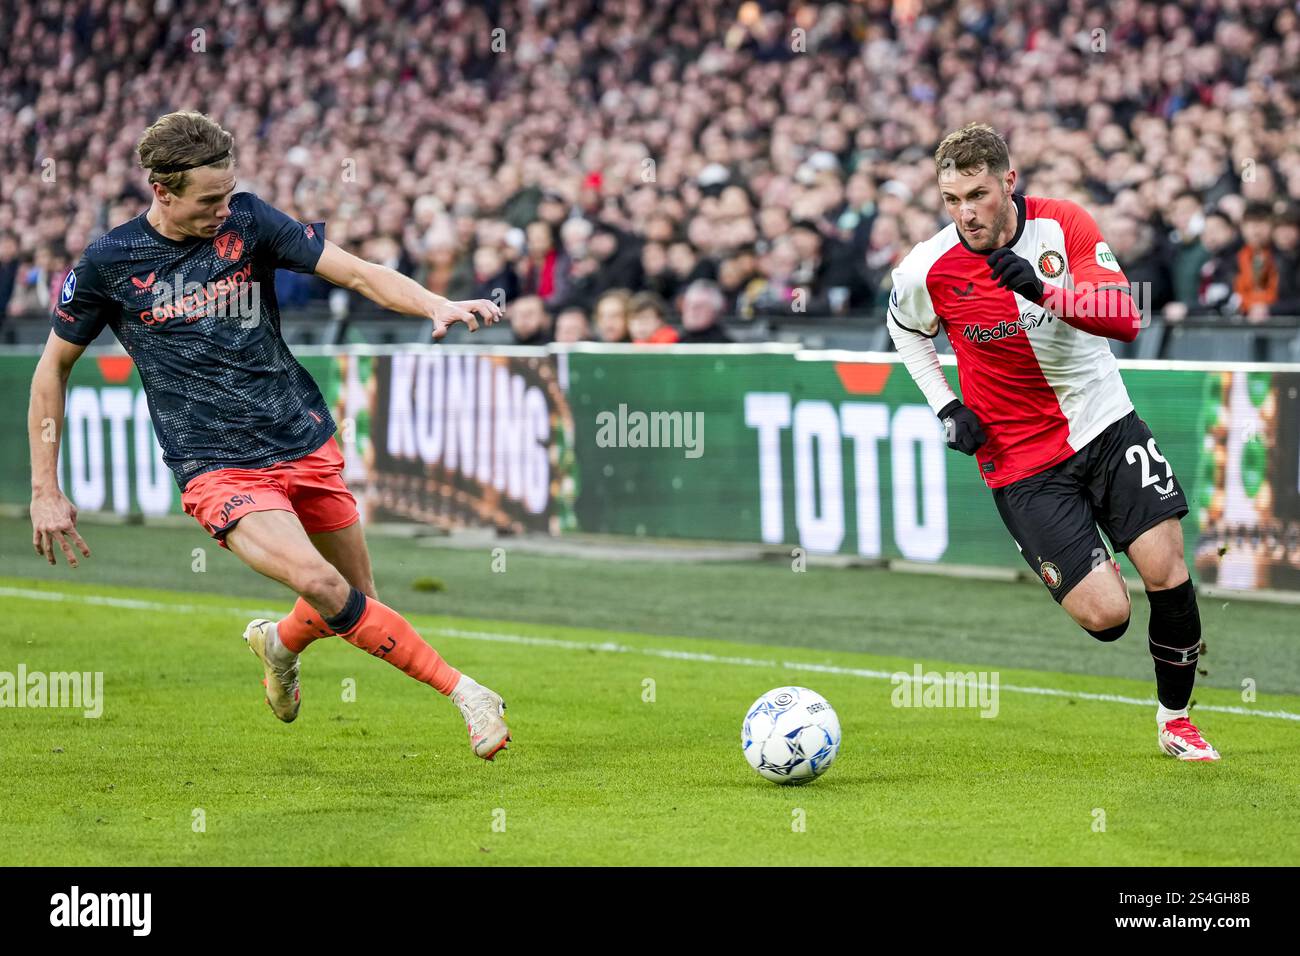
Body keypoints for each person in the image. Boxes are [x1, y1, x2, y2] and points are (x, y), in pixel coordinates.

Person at [27, 111, 512, 760]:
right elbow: (51, 370)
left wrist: (434, 304)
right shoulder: (109, 264)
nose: (223, 210)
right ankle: (467, 694)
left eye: (228, 194)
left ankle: (280, 645)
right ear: (161, 191)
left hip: (301, 437)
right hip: (217, 467)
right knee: (322, 584)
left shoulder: (251, 222)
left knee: (357, 601)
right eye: (208, 200)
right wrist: (43, 489)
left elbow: (360, 272)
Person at [888, 123, 1217, 761]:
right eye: (951, 199)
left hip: (1104, 423)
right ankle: (1099, 564)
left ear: (1008, 182)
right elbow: (904, 329)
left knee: (1168, 573)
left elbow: (1125, 318)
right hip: (1019, 461)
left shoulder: (1063, 226)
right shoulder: (926, 267)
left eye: (977, 195)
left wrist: (1042, 289)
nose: (965, 213)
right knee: (1107, 619)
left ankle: (1176, 720)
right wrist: (946, 404)